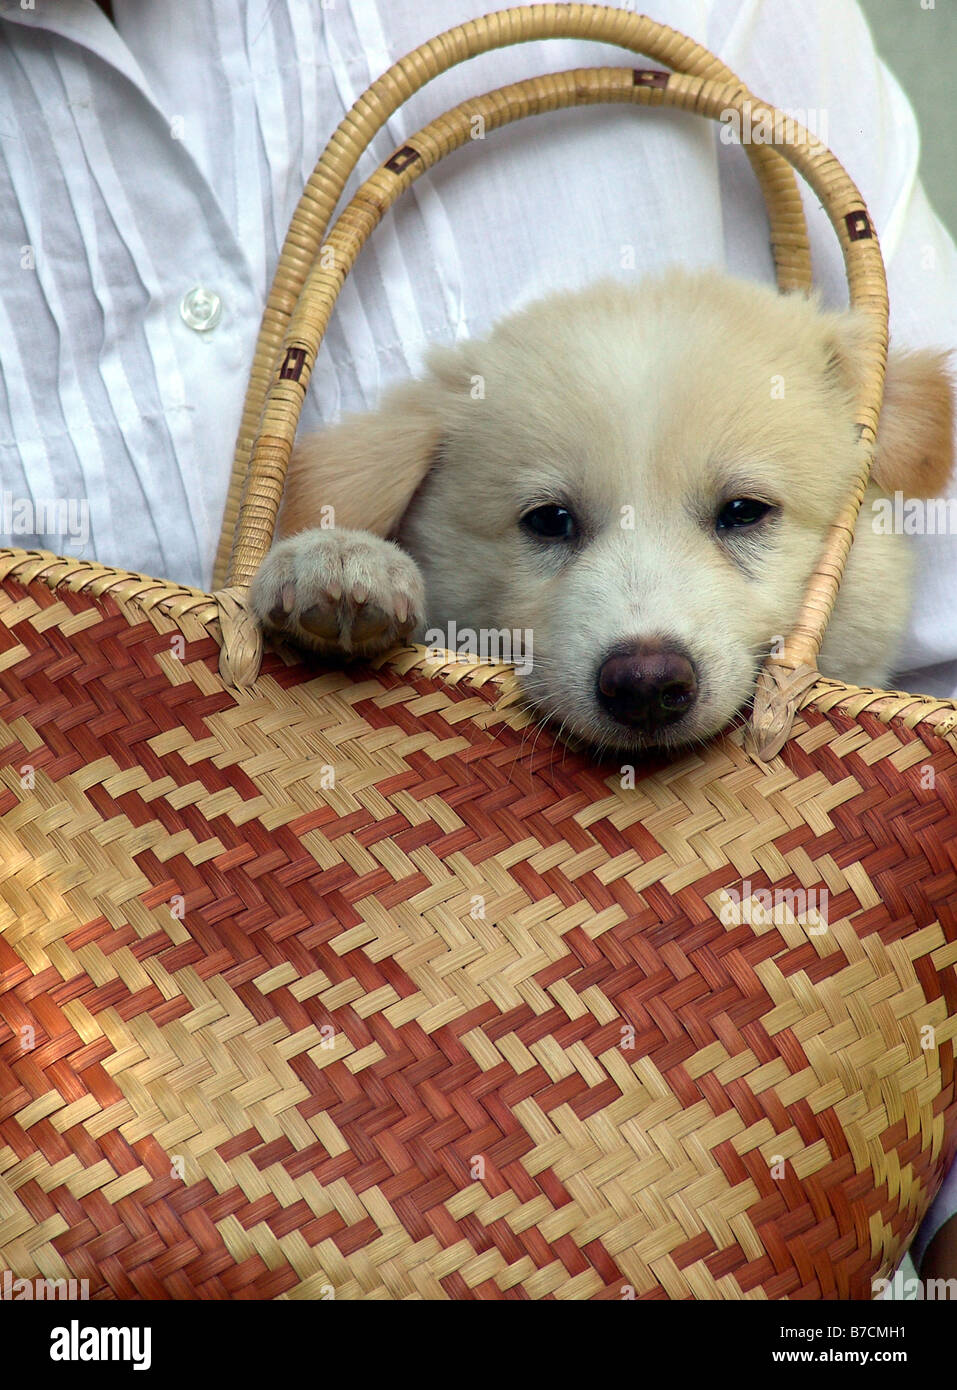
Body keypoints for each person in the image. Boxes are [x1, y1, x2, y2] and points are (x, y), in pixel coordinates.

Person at [1, 0, 955, 1292]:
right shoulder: (412, 479)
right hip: (140, 1183)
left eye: (739, 515)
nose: (641, 638)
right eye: (550, 523)